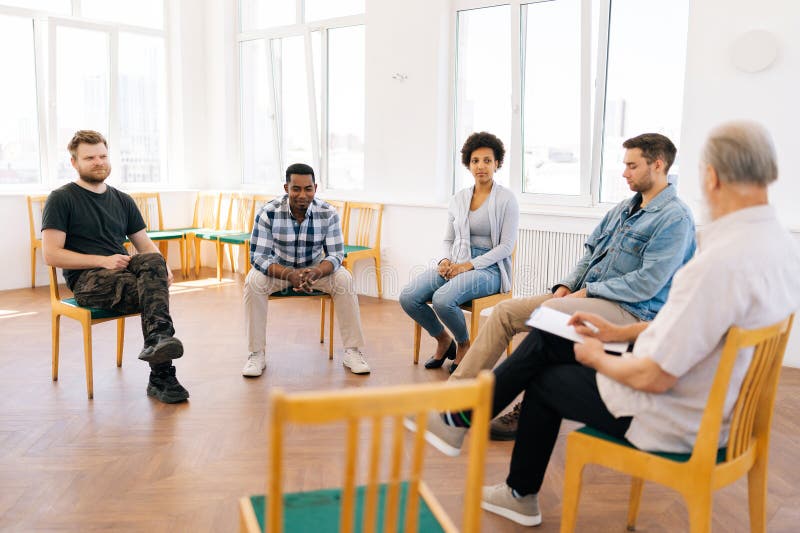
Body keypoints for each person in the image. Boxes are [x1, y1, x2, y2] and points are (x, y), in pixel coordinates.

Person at [416, 121, 800, 527]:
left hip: (674, 417)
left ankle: (499, 467)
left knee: (546, 372)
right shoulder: (776, 246)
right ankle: (474, 437)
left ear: (712, 176)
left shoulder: (715, 261)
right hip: (715, 408)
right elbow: (686, 327)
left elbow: (654, 376)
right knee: (550, 340)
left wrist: (599, 356)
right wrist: (618, 335)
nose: (625, 172)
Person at [449, 133, 696, 441]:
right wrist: (567, 285)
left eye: (632, 166)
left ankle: (529, 407)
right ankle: (454, 397)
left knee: (552, 315)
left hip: (632, 311)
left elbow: (647, 283)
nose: (624, 173)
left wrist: (589, 292)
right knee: (504, 312)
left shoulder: (676, 219)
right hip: (588, 295)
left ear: (658, 165)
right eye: (625, 165)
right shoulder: (622, 209)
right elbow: (590, 254)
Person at [41, 130, 189, 404]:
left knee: (156, 262)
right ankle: (162, 376)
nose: (99, 162)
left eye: (103, 156)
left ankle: (157, 341)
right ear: (74, 162)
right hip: (88, 280)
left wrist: (163, 269)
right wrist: (102, 260)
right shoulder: (61, 199)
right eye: (90, 158)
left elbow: (144, 244)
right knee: (152, 294)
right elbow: (51, 255)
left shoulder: (122, 199)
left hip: (123, 271)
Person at [399, 132, 518, 373]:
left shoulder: (507, 199)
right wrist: (445, 260)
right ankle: (444, 339)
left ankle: (464, 343)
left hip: (490, 270)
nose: (481, 166)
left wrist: (469, 265)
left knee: (443, 299)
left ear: (497, 163)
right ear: (468, 164)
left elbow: (506, 247)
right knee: (409, 296)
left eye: (487, 160)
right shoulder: (459, 198)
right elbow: (448, 239)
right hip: (457, 263)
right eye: (475, 160)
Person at [242, 163, 371, 376]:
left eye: (308, 189)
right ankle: (256, 354)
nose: (302, 194)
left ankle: (352, 351)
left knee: (344, 279)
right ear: (286, 188)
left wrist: (317, 272)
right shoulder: (268, 212)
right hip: (280, 271)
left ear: (315, 188)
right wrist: (289, 274)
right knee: (253, 281)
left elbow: (336, 255)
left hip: (315, 271)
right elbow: (258, 257)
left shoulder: (328, 212)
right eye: (296, 189)